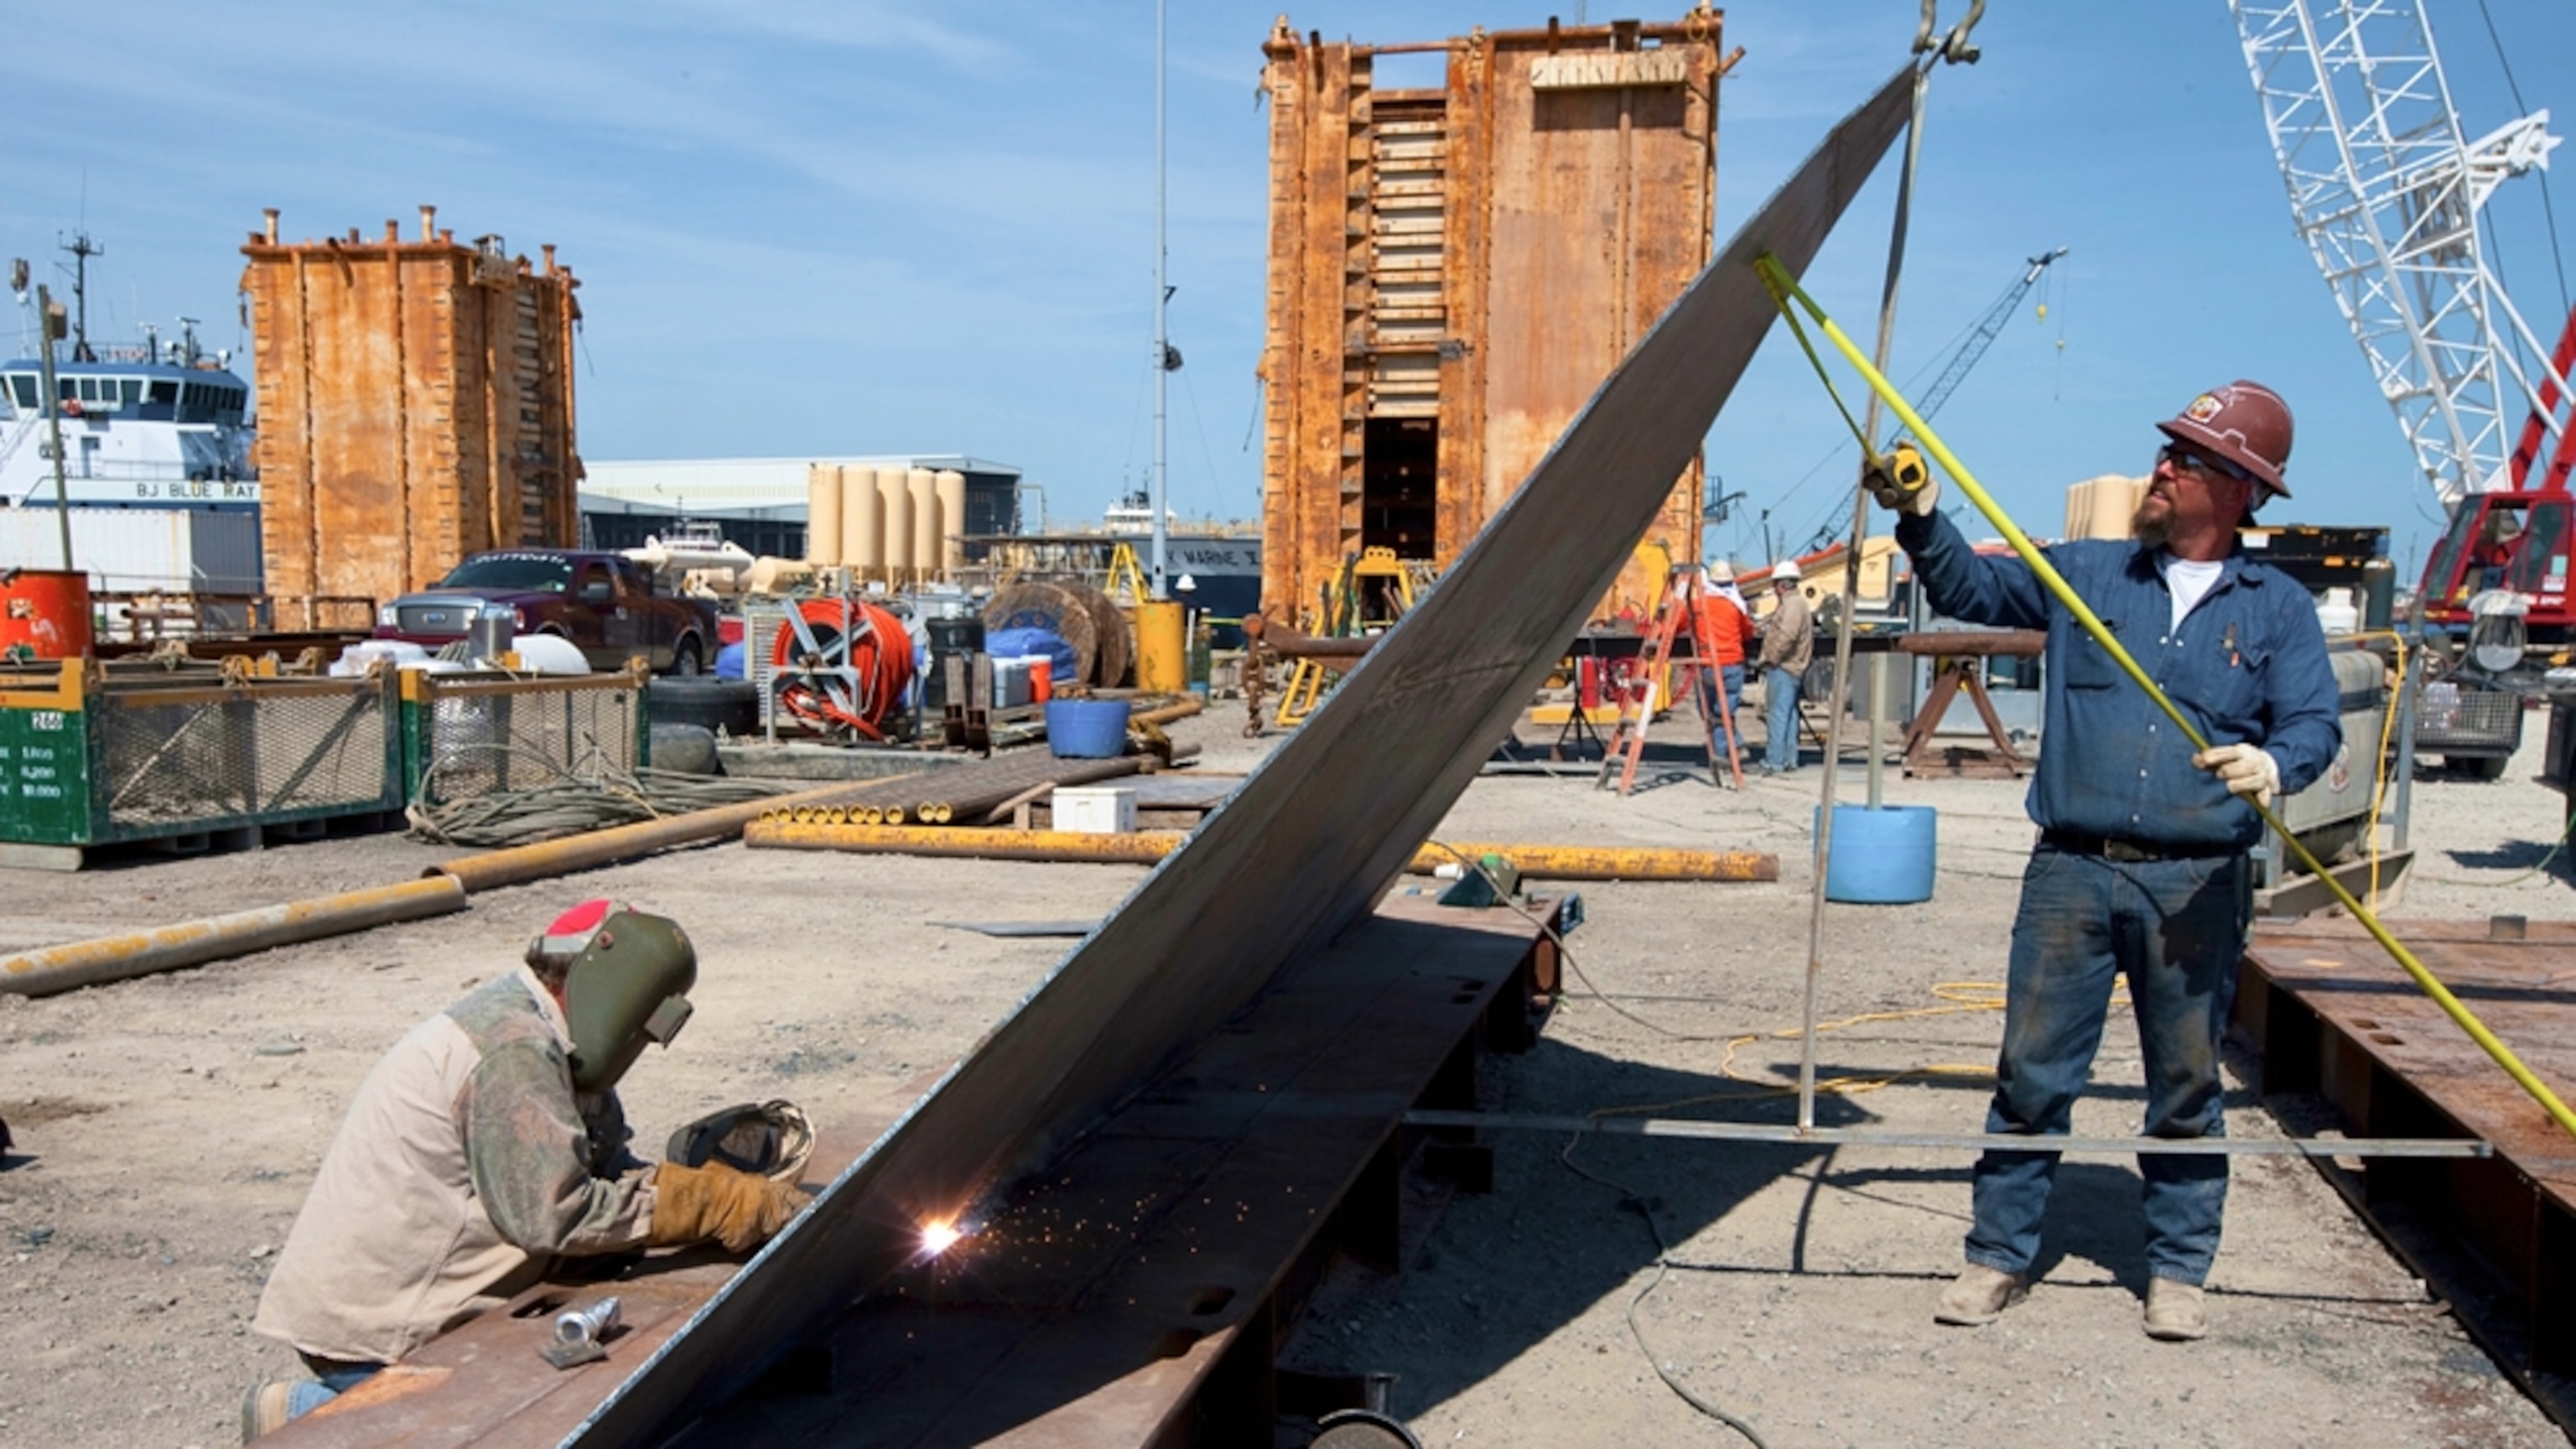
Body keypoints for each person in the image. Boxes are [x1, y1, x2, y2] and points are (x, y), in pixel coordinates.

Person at [1867, 381, 2340, 1342]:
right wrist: (1921, 514)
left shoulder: (2279, 611)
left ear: (2241, 492)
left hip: (2196, 886)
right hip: (2070, 874)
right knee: (2032, 1075)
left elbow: (2314, 724)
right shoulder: (2088, 572)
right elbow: (1973, 589)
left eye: (2187, 460)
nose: (2161, 468)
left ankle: (2177, 1271)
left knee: (2187, 1084)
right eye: (2165, 452)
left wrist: (2277, 764)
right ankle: (1995, 1256)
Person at [242, 900, 812, 1438]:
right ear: (610, 987)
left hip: (420, 1303)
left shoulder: (554, 1045)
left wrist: (689, 1190)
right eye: (644, 1017)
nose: (647, 1039)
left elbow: (604, 1170)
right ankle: (316, 1419)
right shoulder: (512, 1050)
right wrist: (710, 1203)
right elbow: (555, 1214)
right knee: (541, 1422)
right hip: (383, 1330)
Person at [1753, 560, 1813, 773]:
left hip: (1785, 667)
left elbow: (1787, 636)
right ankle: (1788, 759)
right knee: (1788, 714)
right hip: (1791, 667)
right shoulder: (1794, 604)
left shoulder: (1793, 606)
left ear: (1782, 585)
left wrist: (1772, 658)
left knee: (1778, 715)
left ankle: (1775, 760)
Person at [1690, 559, 1761, 735]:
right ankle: (1730, 749)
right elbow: (1748, 633)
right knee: (1724, 713)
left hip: (1710, 664)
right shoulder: (1735, 606)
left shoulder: (1699, 604)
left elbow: (1680, 623)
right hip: (1733, 664)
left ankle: (1725, 751)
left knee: (1709, 711)